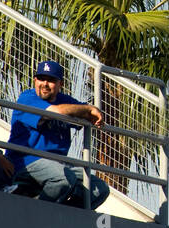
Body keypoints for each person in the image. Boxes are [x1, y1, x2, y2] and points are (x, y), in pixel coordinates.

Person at [6, 60, 109, 208]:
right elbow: (58, 112)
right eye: (41, 79)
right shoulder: (27, 98)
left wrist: (89, 110)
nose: (45, 84)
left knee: (99, 189)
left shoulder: (64, 101)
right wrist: (87, 109)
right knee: (63, 179)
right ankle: (36, 214)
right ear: (35, 80)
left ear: (60, 84)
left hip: (58, 164)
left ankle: (67, 217)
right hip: (26, 162)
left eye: (51, 80)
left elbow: (88, 113)